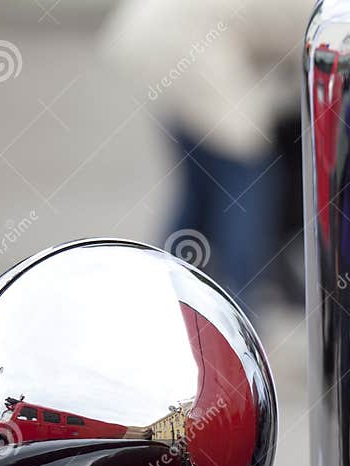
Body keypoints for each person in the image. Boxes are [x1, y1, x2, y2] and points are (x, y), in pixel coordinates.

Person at [100, 0, 313, 312]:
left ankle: (157, 297)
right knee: (248, 178)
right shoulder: (348, 11)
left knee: (200, 188)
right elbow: (313, 77)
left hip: (147, 31)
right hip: (186, 41)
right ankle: (241, 311)